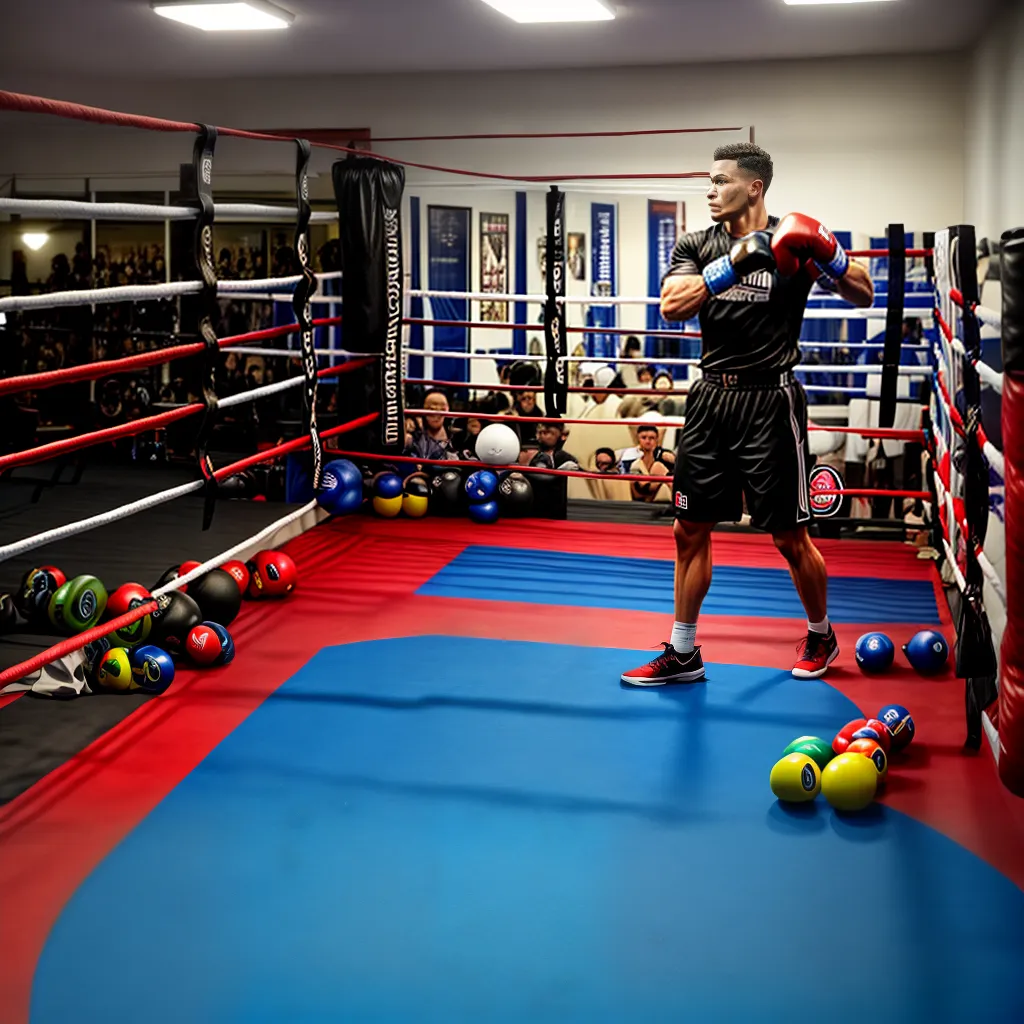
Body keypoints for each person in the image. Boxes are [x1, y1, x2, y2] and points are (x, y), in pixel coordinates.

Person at [620, 142, 874, 686]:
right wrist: (737, 260)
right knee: (689, 529)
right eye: (708, 183)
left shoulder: (793, 239)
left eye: (721, 182)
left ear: (754, 187)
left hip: (770, 401)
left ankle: (821, 633)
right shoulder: (696, 243)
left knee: (788, 536)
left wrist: (827, 252)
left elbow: (864, 293)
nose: (710, 192)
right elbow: (672, 304)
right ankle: (684, 652)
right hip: (711, 399)